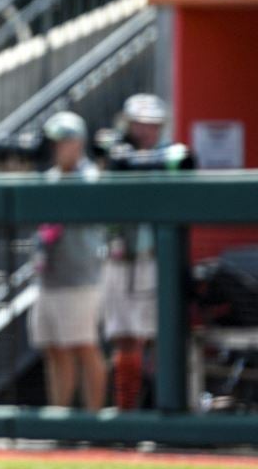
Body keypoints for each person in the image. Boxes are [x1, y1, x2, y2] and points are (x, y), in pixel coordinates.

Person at [28, 112, 107, 411]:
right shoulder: (49, 178)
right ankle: (60, 417)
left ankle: (93, 418)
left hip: (80, 279)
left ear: (78, 143)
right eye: (55, 142)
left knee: (84, 347)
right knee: (54, 350)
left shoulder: (91, 177)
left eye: (64, 142)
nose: (58, 148)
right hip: (48, 278)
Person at [100, 93, 169, 410]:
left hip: (154, 259)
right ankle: (127, 412)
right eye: (140, 125)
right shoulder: (114, 155)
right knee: (123, 336)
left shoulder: (169, 159)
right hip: (119, 257)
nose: (146, 132)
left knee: (157, 336)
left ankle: (159, 409)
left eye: (152, 126)